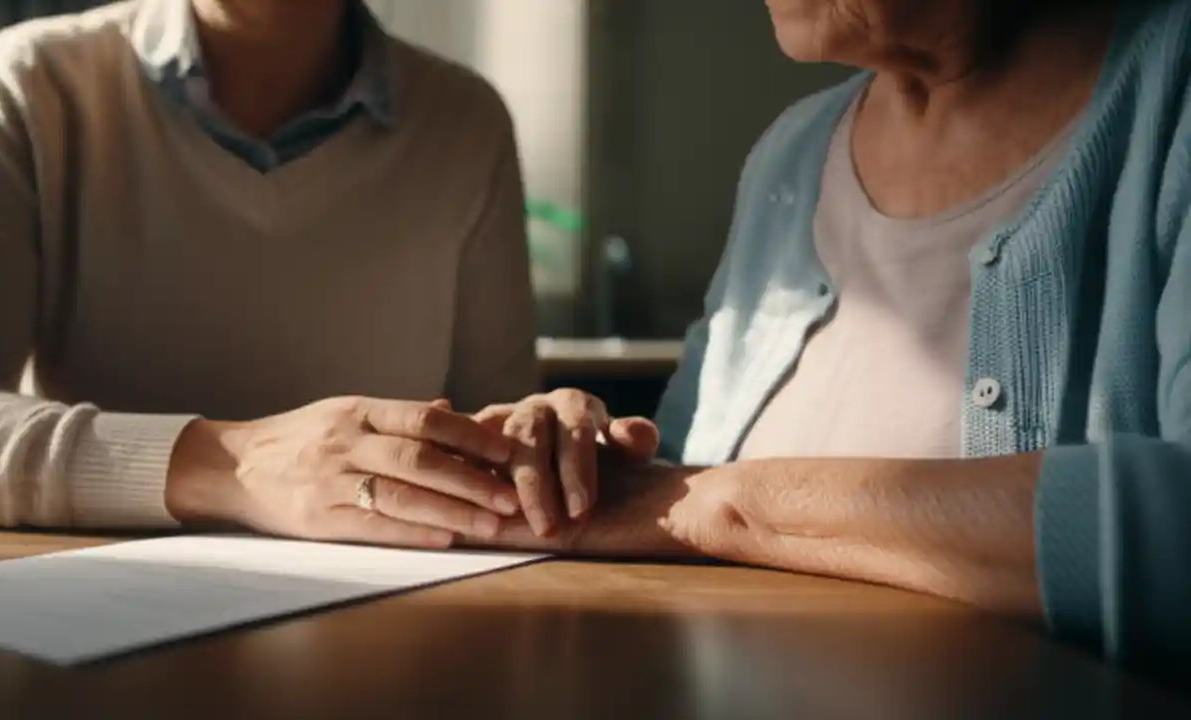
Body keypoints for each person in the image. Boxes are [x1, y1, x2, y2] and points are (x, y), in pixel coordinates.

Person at [475, 0, 1191, 675]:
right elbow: (673, 483)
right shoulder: (793, 151)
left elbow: (693, 503)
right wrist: (584, 464)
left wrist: (720, 504)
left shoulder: (1172, 92)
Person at [0, 0, 603, 545]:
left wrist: (540, 444)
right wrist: (234, 466)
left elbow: (499, 458)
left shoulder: (465, 123)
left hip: (381, 644)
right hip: (90, 631)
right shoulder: (36, 87)